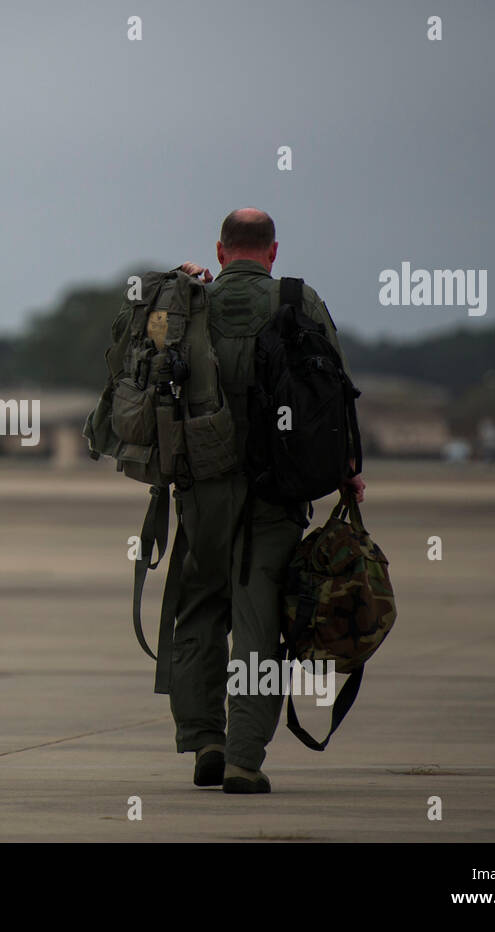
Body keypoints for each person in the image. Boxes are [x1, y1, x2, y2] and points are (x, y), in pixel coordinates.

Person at [171, 207, 364, 794]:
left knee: (200, 611)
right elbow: (334, 394)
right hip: (273, 496)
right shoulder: (299, 303)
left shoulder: (186, 302)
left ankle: (204, 739)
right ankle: (241, 758)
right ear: (273, 253)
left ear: (222, 250)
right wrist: (347, 472)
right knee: (258, 622)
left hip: (201, 492)